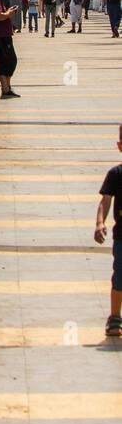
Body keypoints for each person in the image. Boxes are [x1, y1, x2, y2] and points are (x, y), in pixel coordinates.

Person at [93, 126, 122, 338]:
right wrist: (99, 223)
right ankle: (114, 317)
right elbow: (105, 200)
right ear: (120, 147)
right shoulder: (115, 174)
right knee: (119, 277)